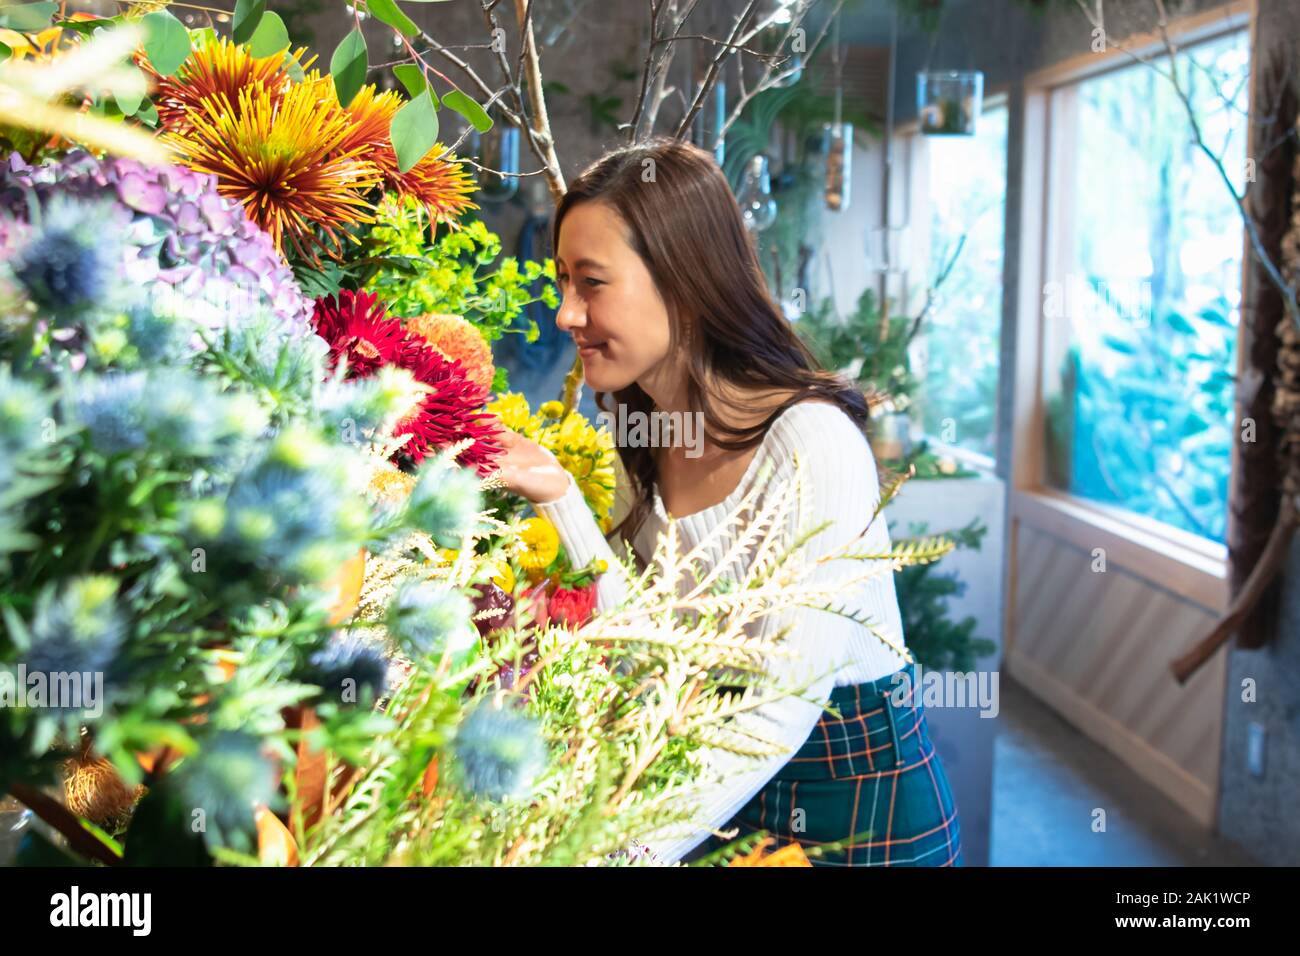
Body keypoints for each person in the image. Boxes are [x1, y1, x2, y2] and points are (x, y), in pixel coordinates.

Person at [494, 136, 962, 867]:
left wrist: (616, 854)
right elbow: (647, 649)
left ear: (682, 281)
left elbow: (780, 705)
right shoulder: (642, 429)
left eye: (591, 284)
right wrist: (560, 498)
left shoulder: (812, 440)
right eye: (563, 283)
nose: (565, 315)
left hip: (853, 813)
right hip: (718, 800)